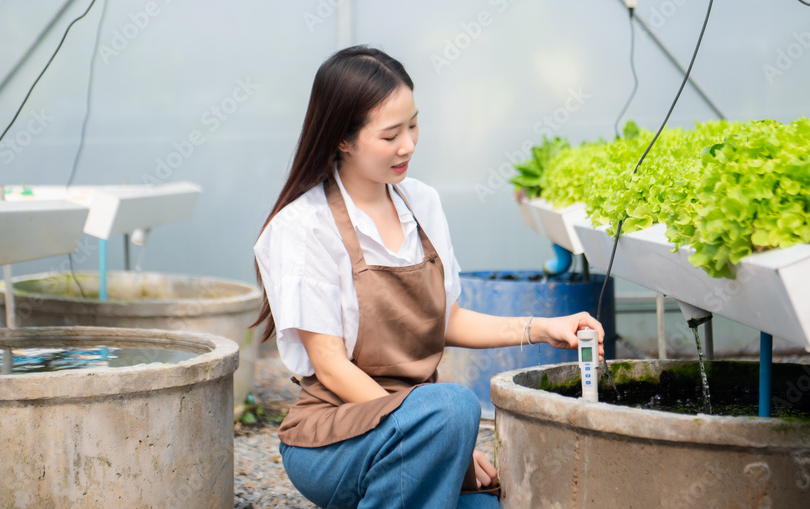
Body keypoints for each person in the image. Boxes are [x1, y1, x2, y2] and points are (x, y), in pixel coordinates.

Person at [252, 45, 604, 509]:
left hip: (419, 425)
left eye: (414, 124)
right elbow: (331, 365)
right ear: (342, 138)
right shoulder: (303, 227)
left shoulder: (421, 203)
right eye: (390, 134)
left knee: (486, 506)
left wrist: (542, 329)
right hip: (335, 437)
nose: (409, 145)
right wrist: (441, 436)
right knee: (455, 405)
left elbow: (448, 319)